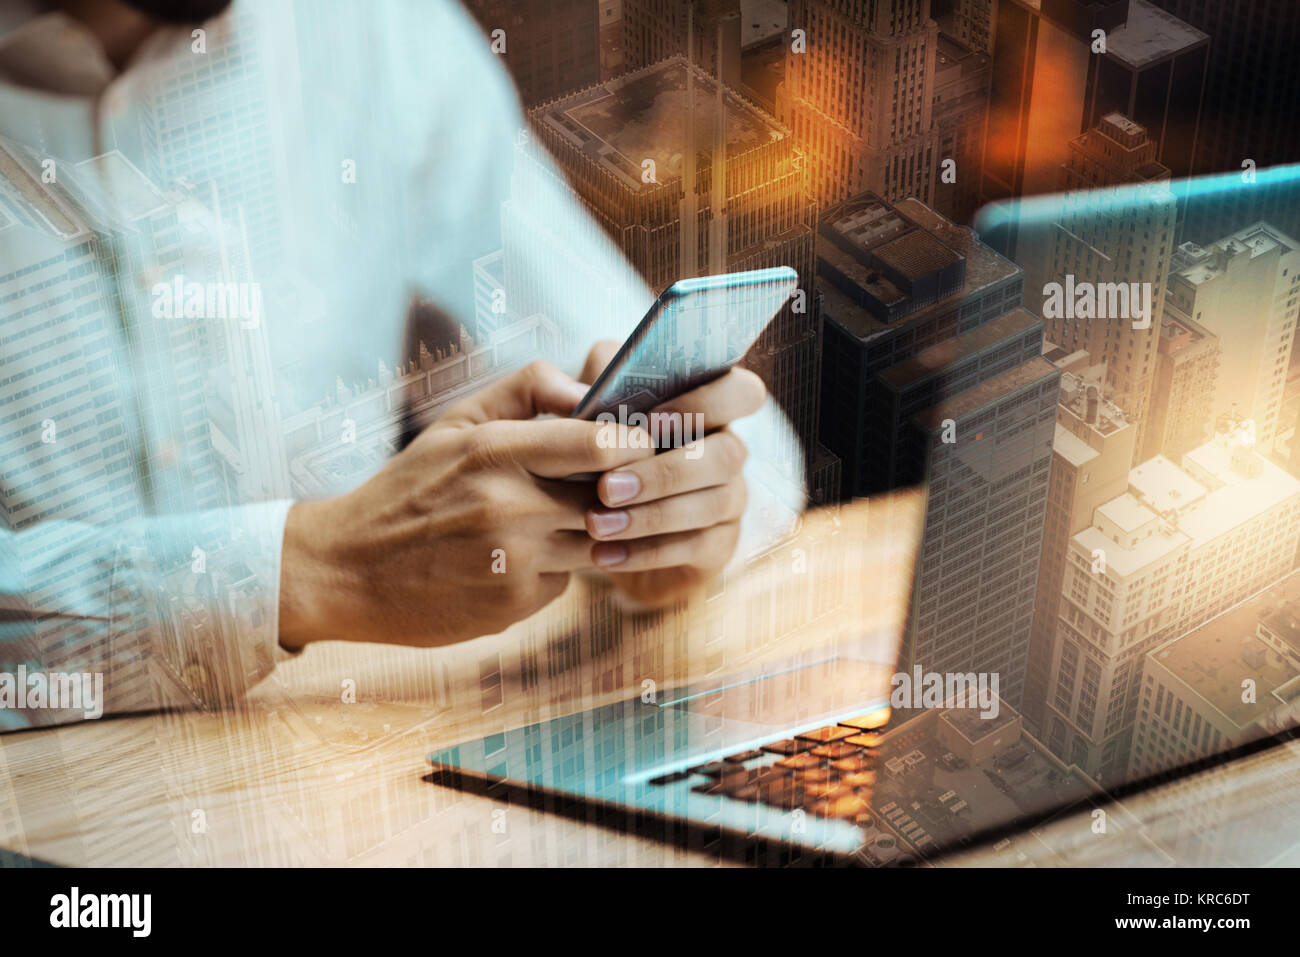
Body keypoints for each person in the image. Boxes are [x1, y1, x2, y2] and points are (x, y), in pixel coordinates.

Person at [0, 0, 804, 729]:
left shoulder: (375, 27)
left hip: (327, 775)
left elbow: (754, 458)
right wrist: (309, 570)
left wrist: (666, 522)